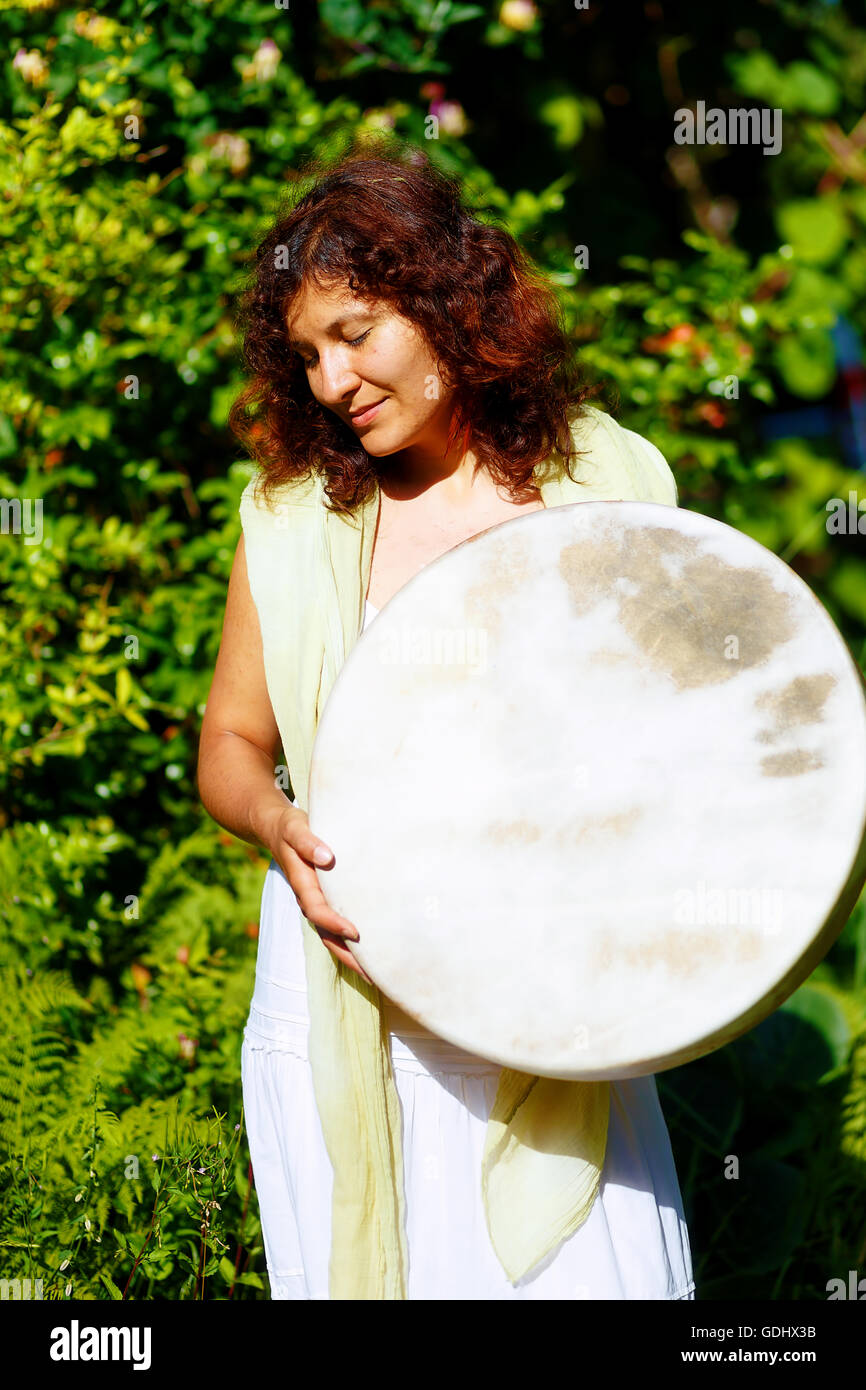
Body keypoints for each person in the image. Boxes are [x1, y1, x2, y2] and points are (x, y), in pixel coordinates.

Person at [197, 139, 695, 1301]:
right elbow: (230, 746)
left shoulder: (603, 484)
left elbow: (685, 739)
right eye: (306, 354)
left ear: (446, 302)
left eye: (355, 333)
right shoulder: (293, 518)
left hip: (554, 997)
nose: (330, 382)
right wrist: (279, 829)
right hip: (345, 998)